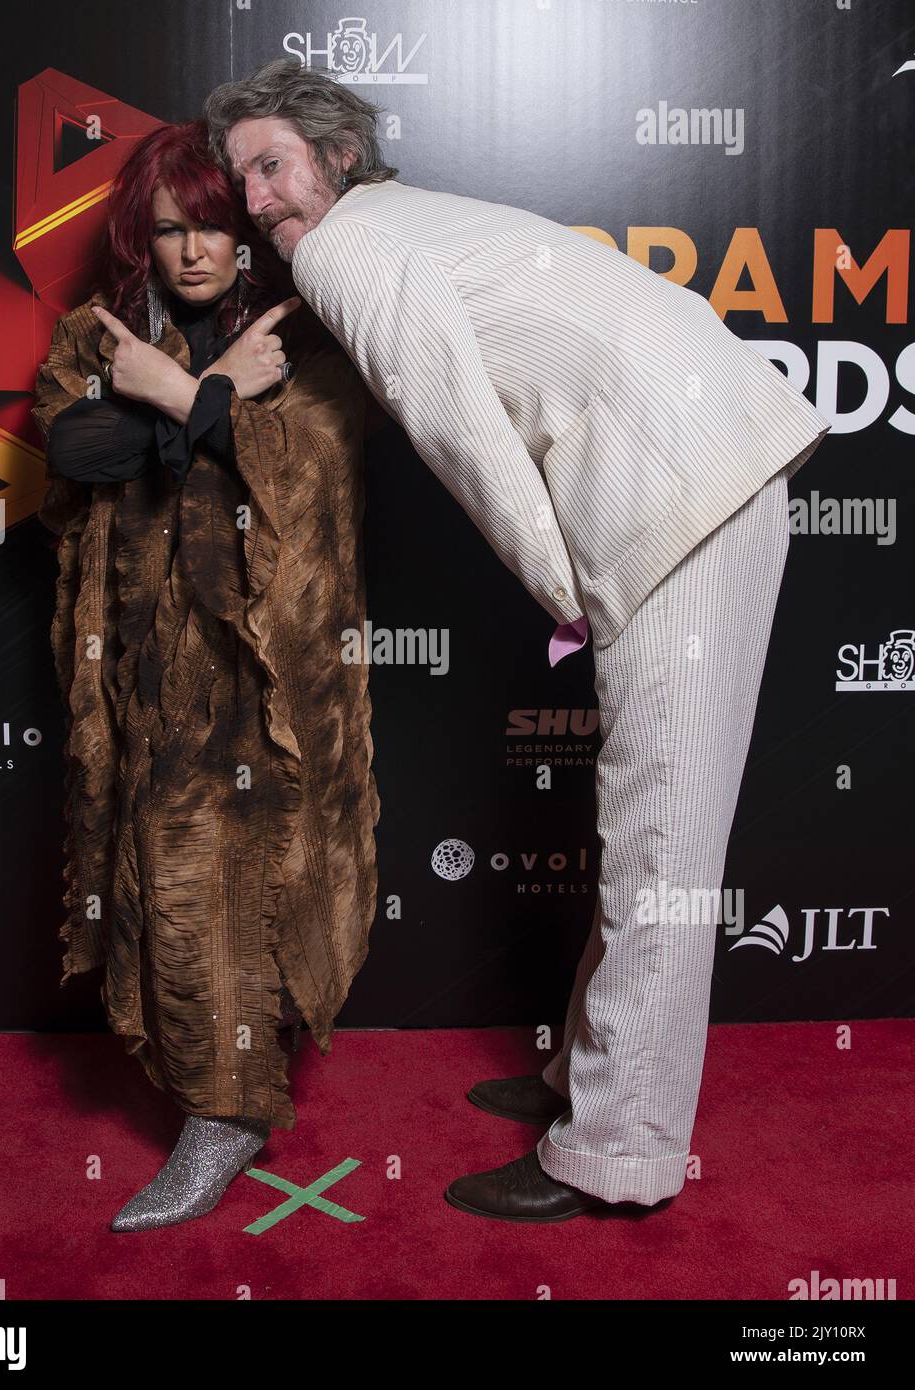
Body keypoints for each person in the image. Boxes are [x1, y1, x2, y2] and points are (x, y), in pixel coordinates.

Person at [203, 60, 832, 1223]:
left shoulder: (347, 245)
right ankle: (578, 1079)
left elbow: (462, 436)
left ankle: (615, 1151)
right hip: (700, 466)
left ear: (337, 157)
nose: (254, 198)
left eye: (272, 163)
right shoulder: (399, 224)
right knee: (642, 823)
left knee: (662, 848)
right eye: (239, 176)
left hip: (678, 487)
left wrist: (563, 591)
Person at [32, 118, 380, 1232]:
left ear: (247, 236)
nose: (191, 253)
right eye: (170, 231)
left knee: (225, 882)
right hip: (139, 666)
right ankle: (210, 1095)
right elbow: (74, 450)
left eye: (214, 229)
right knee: (155, 879)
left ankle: (224, 1115)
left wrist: (188, 396)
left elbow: (311, 475)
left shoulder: (300, 337)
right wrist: (204, 399)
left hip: (262, 677)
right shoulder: (102, 335)